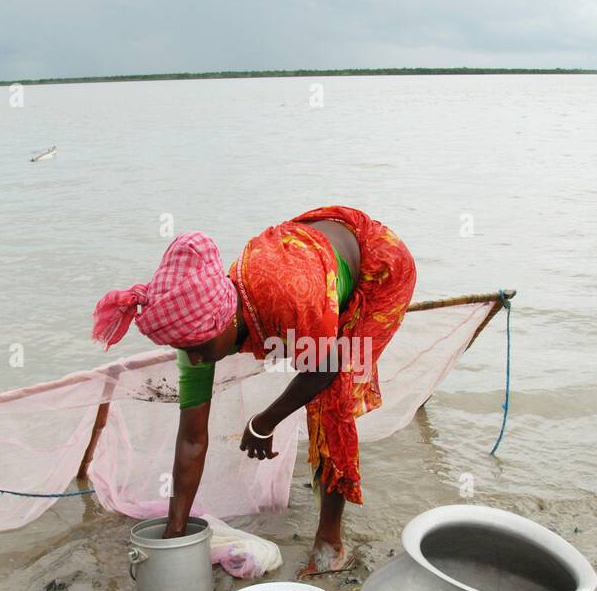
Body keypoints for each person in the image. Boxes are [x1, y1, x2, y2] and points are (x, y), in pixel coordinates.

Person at [92, 206, 417, 572]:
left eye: (199, 350)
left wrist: (263, 422)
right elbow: (192, 439)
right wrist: (175, 533)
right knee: (317, 368)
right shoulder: (199, 335)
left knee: (333, 400)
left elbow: (326, 366)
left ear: (227, 321)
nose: (195, 360)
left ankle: (330, 543)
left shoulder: (288, 299)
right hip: (313, 265)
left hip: (377, 265)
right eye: (186, 351)